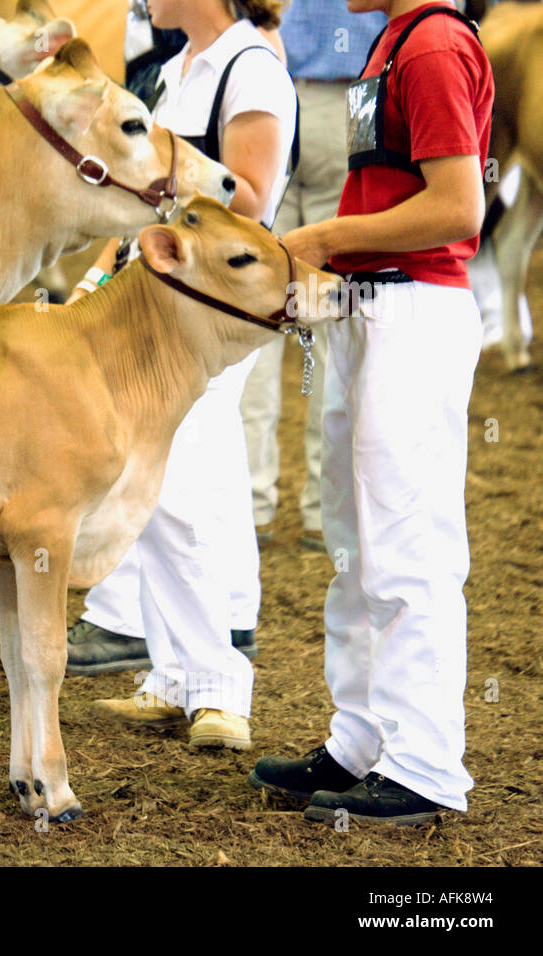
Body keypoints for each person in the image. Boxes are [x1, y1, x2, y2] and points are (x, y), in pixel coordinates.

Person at [250, 0, 491, 825]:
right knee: (358, 543)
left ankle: (425, 763)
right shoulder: (396, 38)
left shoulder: (428, 44)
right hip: (377, 305)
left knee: (406, 546)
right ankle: (361, 738)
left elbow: (461, 207)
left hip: (413, 309)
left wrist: (325, 238)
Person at [67, 0, 297, 752]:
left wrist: (167, 194)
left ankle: (218, 687)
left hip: (210, 305)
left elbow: (251, 201)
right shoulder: (177, 71)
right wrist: (106, 271)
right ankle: (175, 676)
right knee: (194, 481)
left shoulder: (250, 70)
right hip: (160, 299)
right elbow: (150, 213)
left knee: (173, 488)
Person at [239, 0, 384, 552]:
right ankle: (323, 509)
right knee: (329, 317)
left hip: (281, 95)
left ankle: (252, 500)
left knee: (259, 310)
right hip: (355, 102)